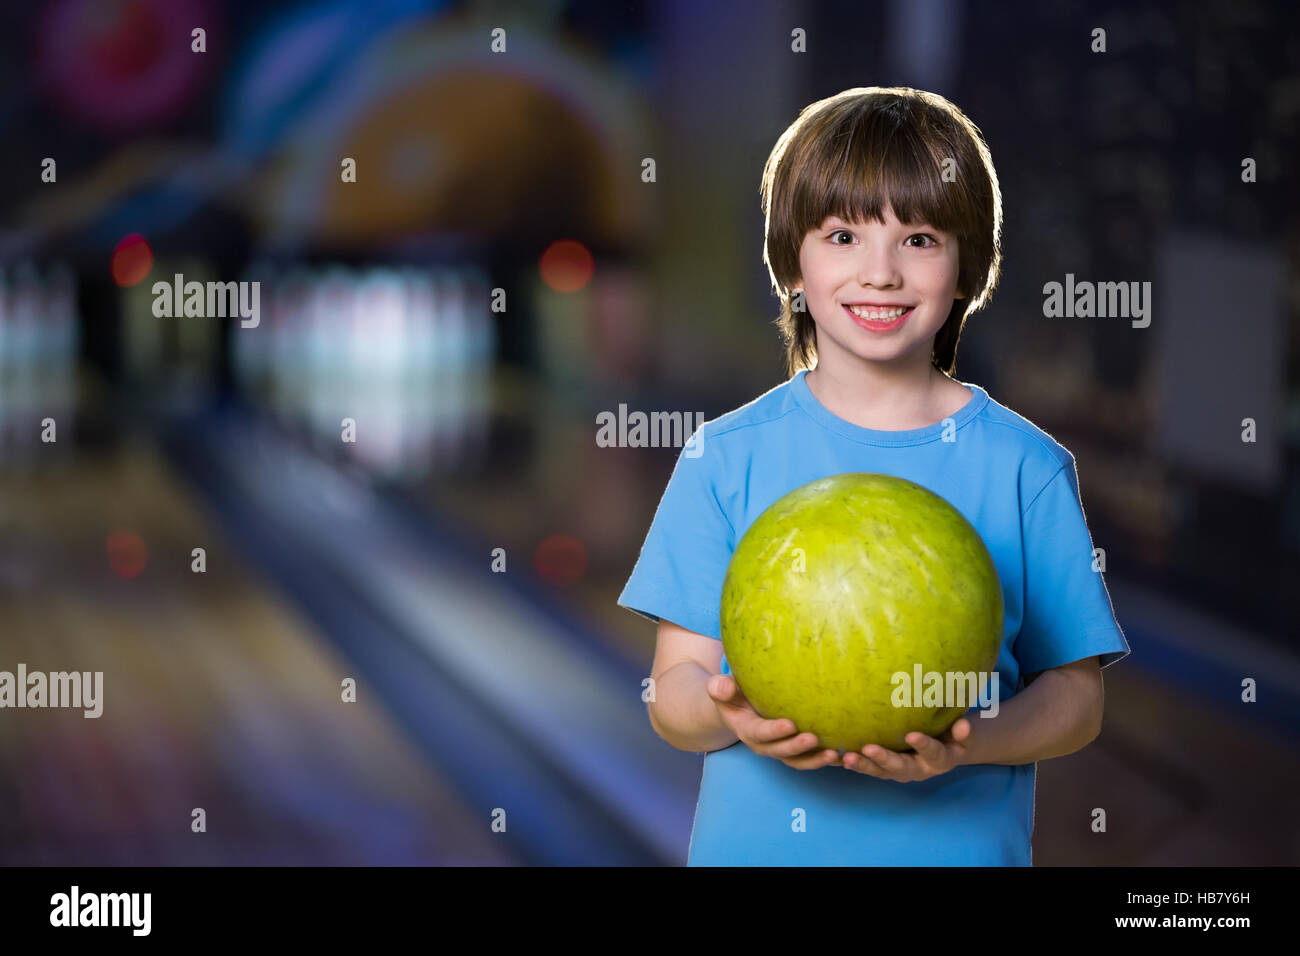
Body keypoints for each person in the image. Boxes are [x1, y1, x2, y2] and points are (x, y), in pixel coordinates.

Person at [617, 87, 1130, 866]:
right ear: (792, 260)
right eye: (844, 235)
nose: (881, 273)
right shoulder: (723, 457)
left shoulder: (1026, 467)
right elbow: (675, 696)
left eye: (920, 238)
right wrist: (735, 719)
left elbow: (1077, 700)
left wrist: (970, 743)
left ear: (967, 269)